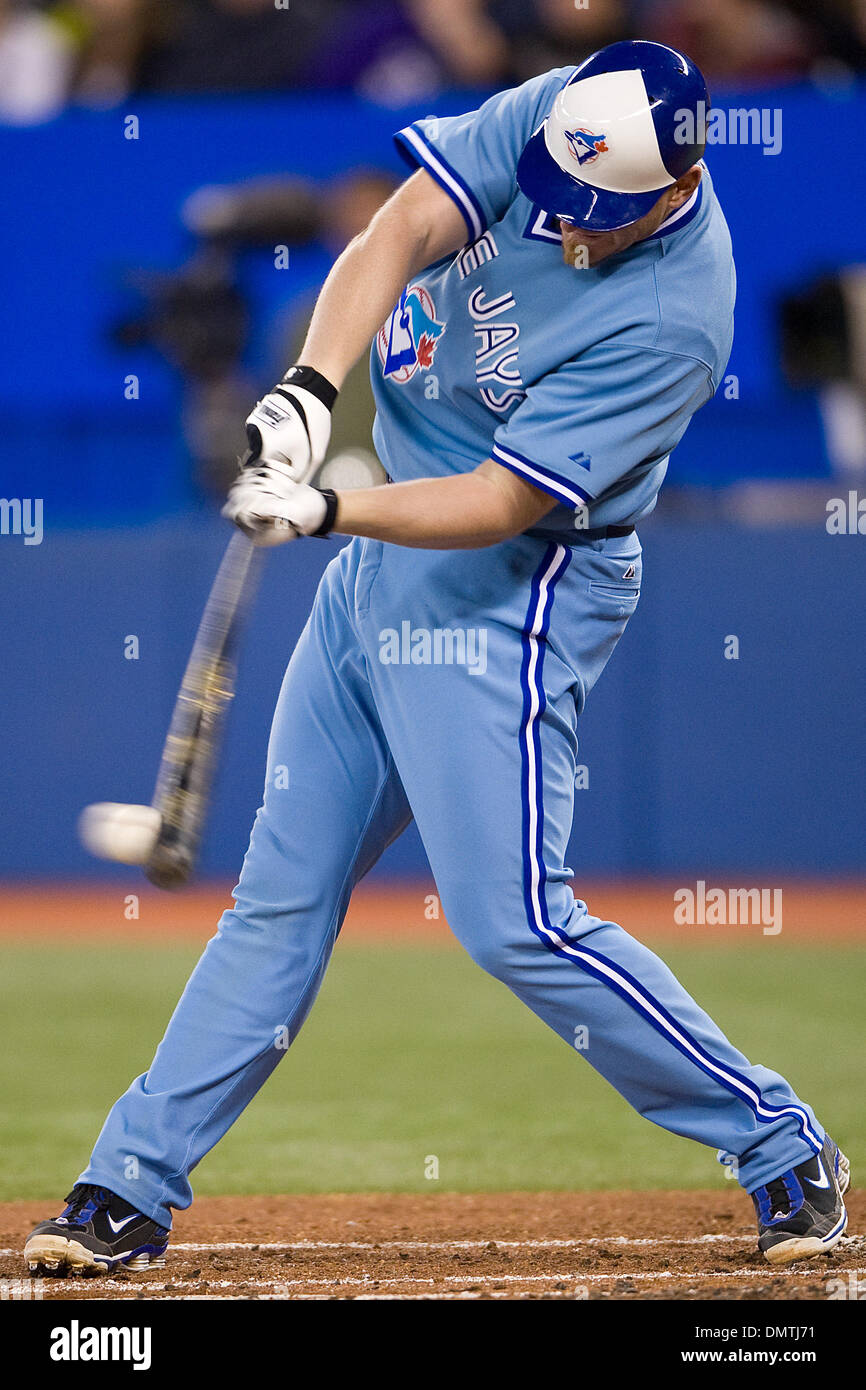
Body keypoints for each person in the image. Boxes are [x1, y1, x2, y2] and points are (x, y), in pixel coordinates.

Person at [25, 40, 848, 1279]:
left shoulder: (677, 317)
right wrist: (310, 391)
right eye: (558, 198)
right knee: (278, 898)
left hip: (511, 593)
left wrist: (327, 509)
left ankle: (778, 1142)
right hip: (380, 563)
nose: (565, 227)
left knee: (509, 916)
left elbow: (500, 502)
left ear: (672, 189)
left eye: (595, 217)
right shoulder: (562, 115)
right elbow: (404, 223)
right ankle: (124, 1191)